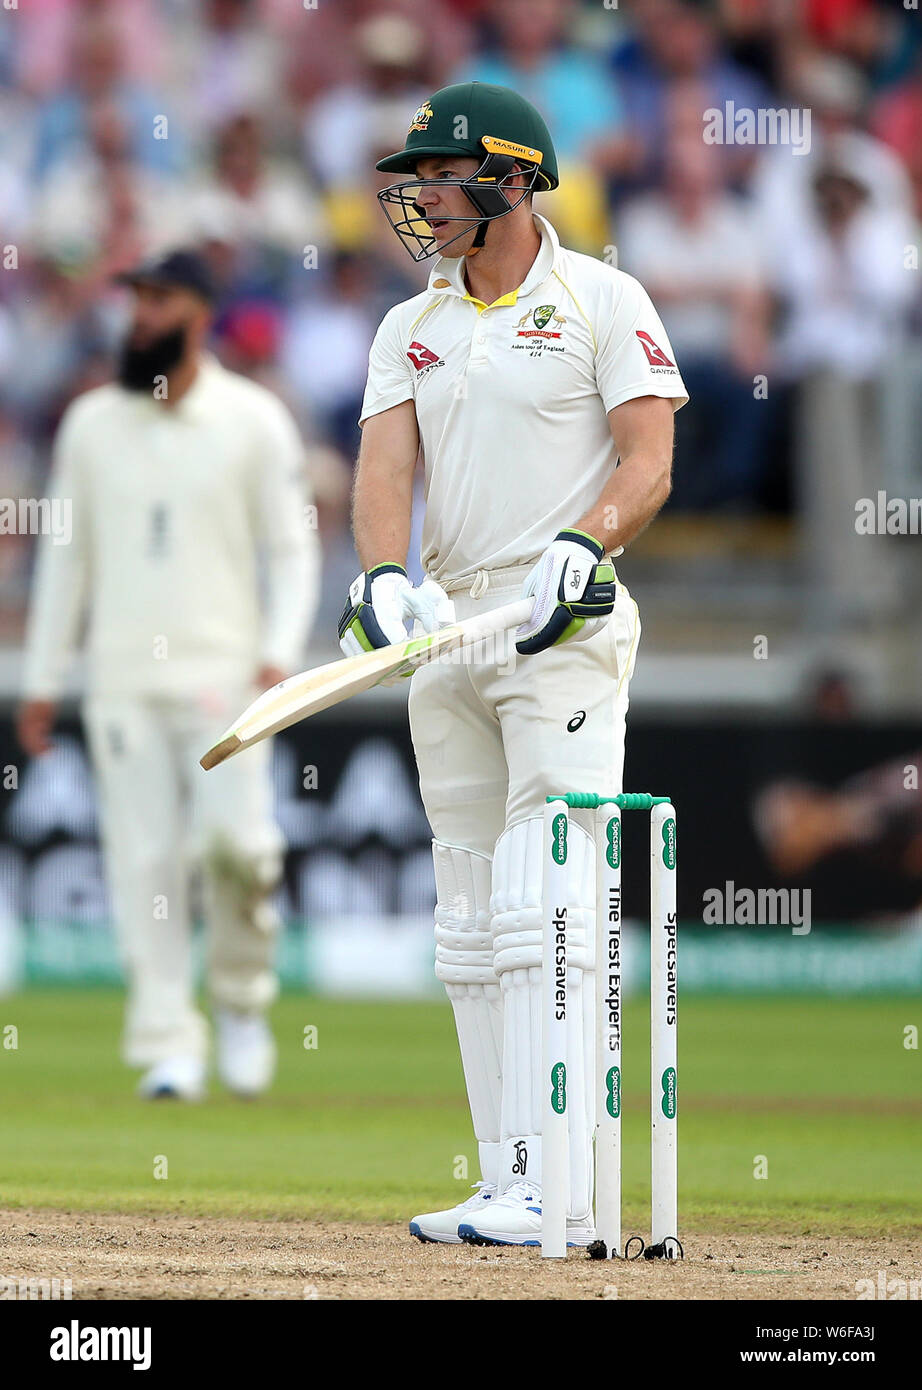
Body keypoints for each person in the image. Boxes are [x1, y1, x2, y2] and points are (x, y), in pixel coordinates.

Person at [342, 82, 686, 1246]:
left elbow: (650, 457)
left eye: (440, 176)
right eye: (418, 179)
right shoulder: (412, 325)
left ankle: (564, 1183)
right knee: (471, 920)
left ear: (512, 179)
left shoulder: (601, 296)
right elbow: (384, 475)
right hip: (452, 629)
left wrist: (586, 543)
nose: (422, 197)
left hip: (564, 628)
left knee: (556, 905)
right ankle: (505, 1180)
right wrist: (381, 576)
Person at [18, 250, 319, 1101]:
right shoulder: (89, 425)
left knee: (238, 850)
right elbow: (64, 562)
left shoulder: (254, 419)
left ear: (199, 316)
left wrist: (277, 651)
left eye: (157, 302)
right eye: (135, 300)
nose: (139, 317)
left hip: (228, 680)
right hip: (120, 681)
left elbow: (293, 547)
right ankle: (168, 1043)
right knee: (142, 864)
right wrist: (43, 679)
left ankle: (241, 1002)